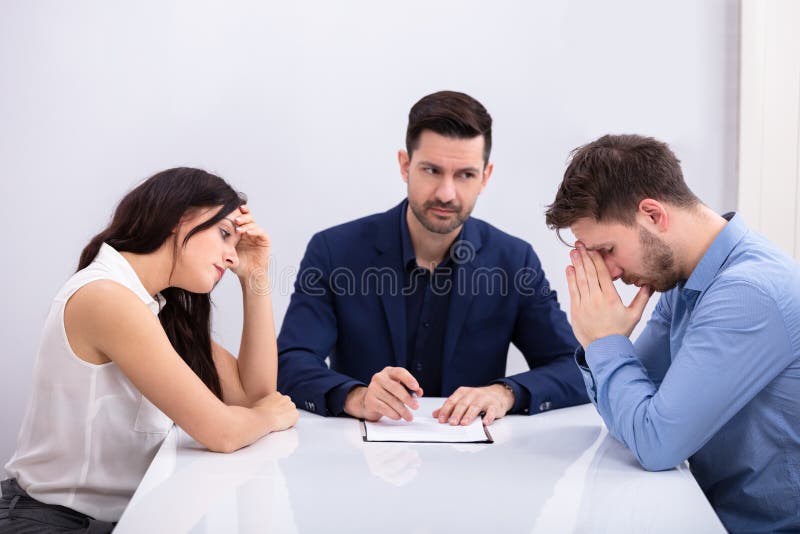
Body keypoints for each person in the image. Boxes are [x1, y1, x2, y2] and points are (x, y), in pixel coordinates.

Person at [1, 168, 298, 532]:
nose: (231, 257)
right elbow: (225, 431)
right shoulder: (107, 297)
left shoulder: (152, 308)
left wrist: (256, 277)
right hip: (47, 522)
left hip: (116, 520)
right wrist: (270, 416)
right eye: (224, 234)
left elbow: (254, 397)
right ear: (178, 218)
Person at [278, 90, 588, 426]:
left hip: (476, 455)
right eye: (431, 170)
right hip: (361, 450)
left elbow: (576, 367)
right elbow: (290, 362)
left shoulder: (514, 261)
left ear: (485, 177)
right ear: (405, 165)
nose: (446, 193)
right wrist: (356, 396)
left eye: (465, 175)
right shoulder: (333, 251)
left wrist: (505, 393)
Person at [544, 134, 800, 532]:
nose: (610, 272)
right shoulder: (685, 284)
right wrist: (603, 345)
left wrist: (603, 341)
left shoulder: (746, 294)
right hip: (707, 515)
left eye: (607, 250)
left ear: (652, 215)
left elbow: (654, 442)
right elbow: (629, 413)